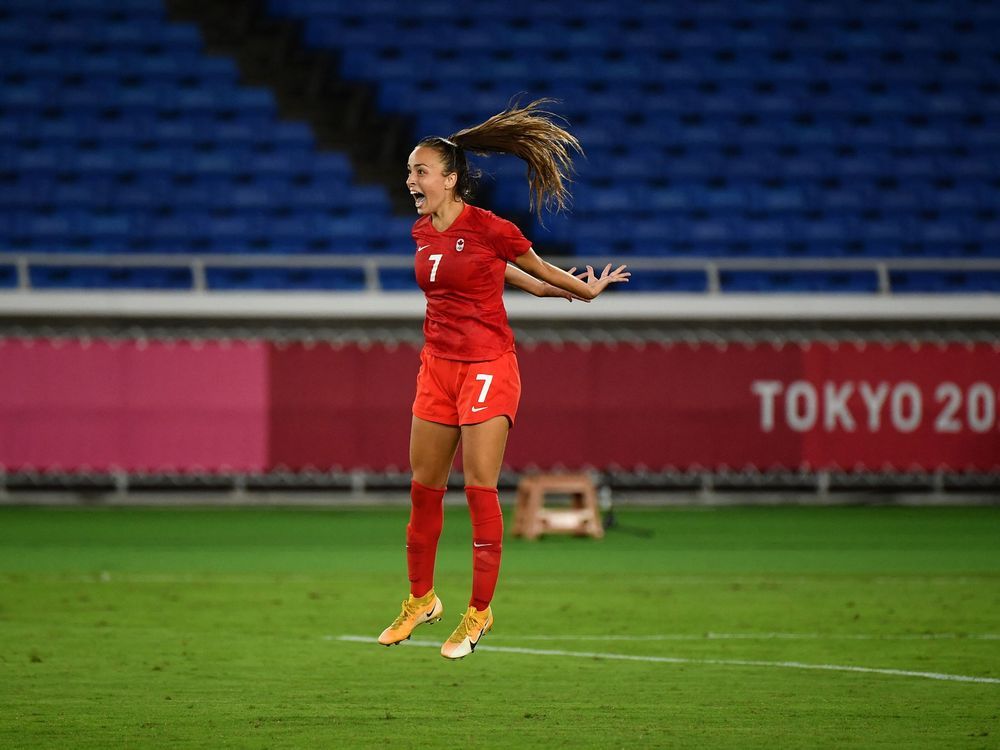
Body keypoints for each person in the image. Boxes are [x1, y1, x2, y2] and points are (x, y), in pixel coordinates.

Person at [377, 99, 629, 660]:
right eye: (410, 171)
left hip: (488, 367)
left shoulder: (491, 226)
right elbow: (498, 273)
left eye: (420, 171)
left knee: (478, 487)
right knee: (424, 488)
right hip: (436, 368)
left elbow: (535, 269)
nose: (411, 180)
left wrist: (584, 290)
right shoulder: (422, 231)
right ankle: (421, 600)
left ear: (450, 179)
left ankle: (479, 612)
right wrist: (539, 288)